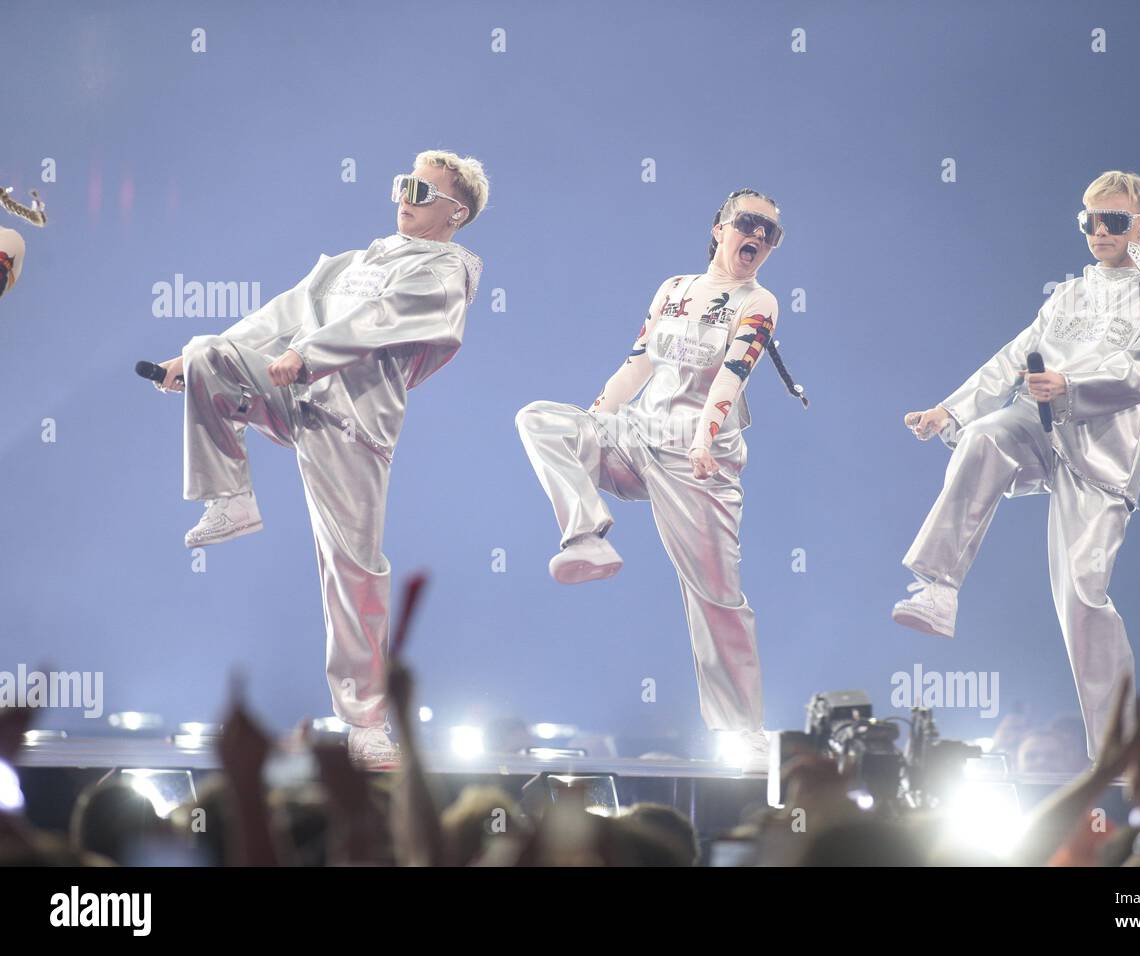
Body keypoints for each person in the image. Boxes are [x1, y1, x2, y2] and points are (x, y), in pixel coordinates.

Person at [153, 150, 488, 765]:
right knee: (208, 352)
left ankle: (366, 722)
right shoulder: (350, 262)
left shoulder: (445, 272)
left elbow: (382, 320)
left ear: (454, 211)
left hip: (352, 418)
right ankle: (231, 499)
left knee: (351, 565)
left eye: (420, 187)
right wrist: (192, 362)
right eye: (402, 182)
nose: (404, 194)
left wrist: (308, 353)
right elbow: (278, 313)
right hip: (295, 391)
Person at [892, 170, 1140, 760]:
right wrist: (948, 410)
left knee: (1082, 594)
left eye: (1113, 220)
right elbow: (1012, 357)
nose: (1099, 232)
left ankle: (1115, 745)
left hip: (1104, 451)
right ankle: (939, 587)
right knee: (985, 436)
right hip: (1038, 425)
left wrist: (1071, 383)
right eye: (1089, 221)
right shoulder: (1069, 294)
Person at [515, 188, 805, 773]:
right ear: (720, 226)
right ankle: (586, 538)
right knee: (541, 419)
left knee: (716, 596)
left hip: (700, 461)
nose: (759, 237)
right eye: (749, 224)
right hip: (638, 437)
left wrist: (703, 438)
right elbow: (639, 361)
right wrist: (597, 415)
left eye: (771, 233)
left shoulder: (761, 301)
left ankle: (742, 730)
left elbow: (734, 375)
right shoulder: (673, 290)